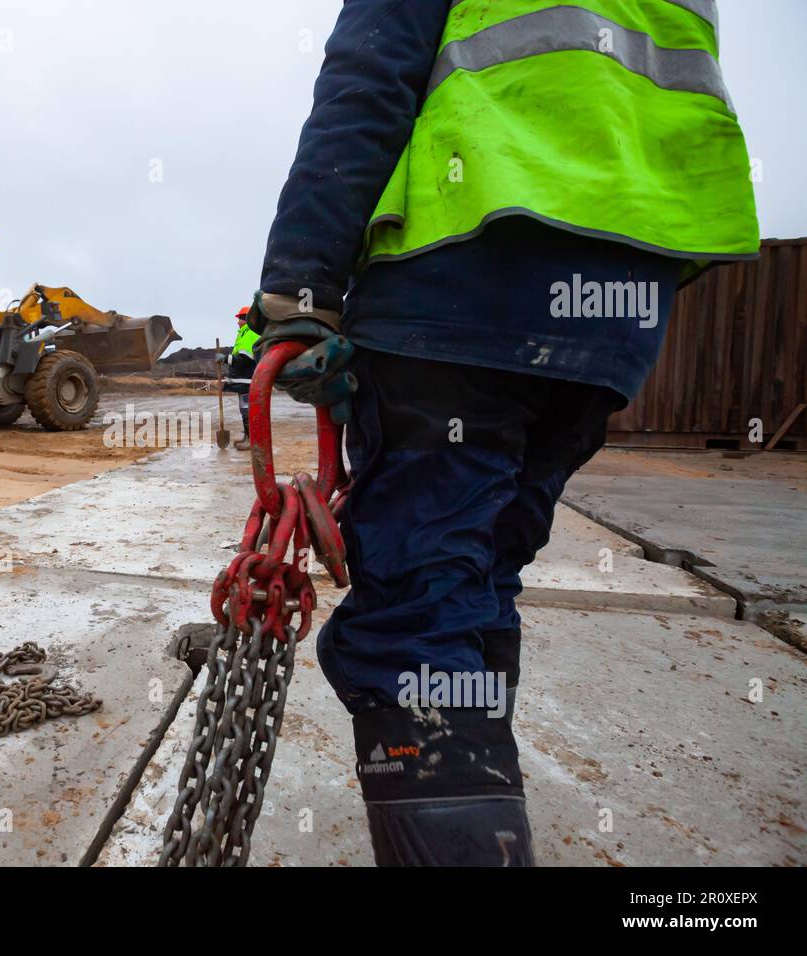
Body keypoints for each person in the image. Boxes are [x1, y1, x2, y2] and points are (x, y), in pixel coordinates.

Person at [247, 0, 758, 865]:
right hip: (617, 309)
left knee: (418, 607)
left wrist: (300, 292)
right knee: (480, 574)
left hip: (461, 278)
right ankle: (480, 800)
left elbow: (368, 81)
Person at [223, 306, 259, 450]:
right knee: (244, 410)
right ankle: (247, 437)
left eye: (240, 319)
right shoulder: (244, 334)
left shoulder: (250, 334)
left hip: (247, 381)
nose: (238, 322)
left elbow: (245, 359)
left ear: (247, 320)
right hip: (243, 381)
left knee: (247, 410)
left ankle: (251, 440)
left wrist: (225, 358)